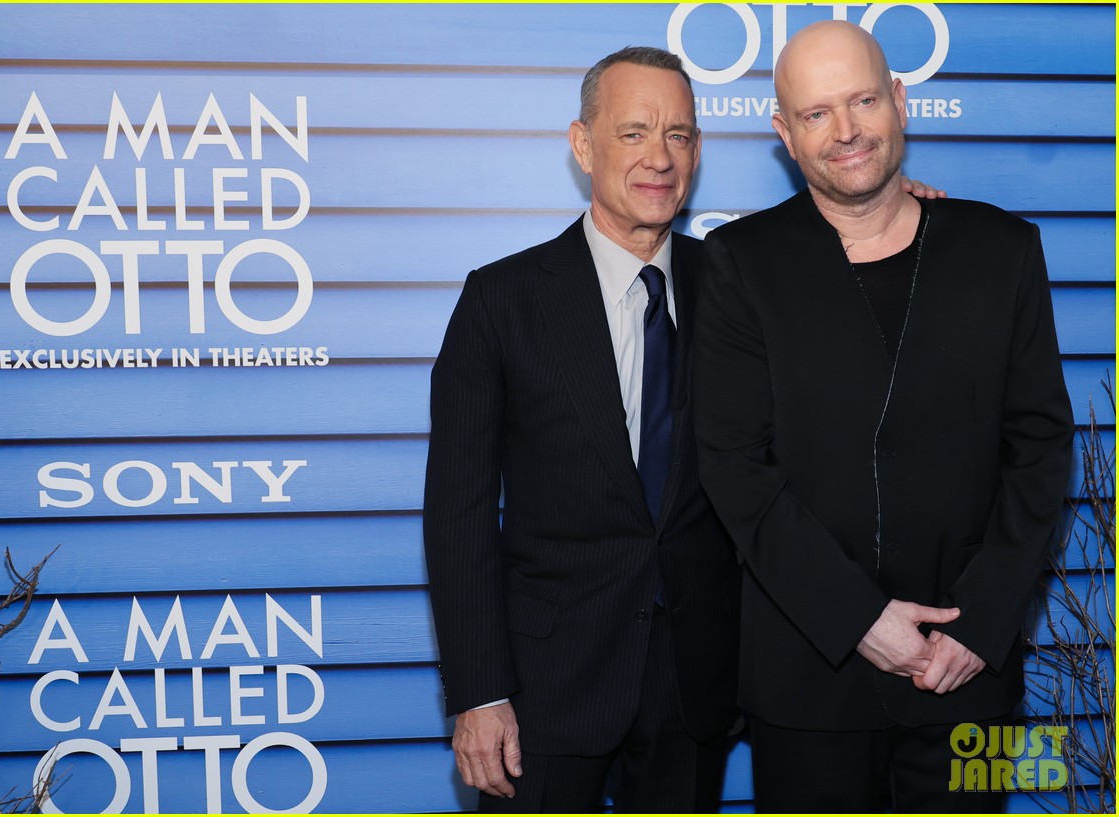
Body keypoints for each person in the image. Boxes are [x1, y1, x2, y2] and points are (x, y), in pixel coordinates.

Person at [691, 20, 1074, 813]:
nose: (846, 131)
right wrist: (858, 617)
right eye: (817, 113)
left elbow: (1038, 449)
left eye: (863, 99)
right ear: (784, 133)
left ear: (899, 101)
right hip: (807, 685)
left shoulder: (1004, 249)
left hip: (973, 677)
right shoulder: (742, 264)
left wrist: (983, 623)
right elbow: (735, 467)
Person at [423, 46, 741, 812]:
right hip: (543, 693)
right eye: (633, 133)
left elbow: (839, 250)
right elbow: (459, 512)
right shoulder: (501, 300)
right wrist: (479, 691)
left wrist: (901, 201)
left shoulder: (737, 285)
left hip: (693, 690)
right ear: (583, 143)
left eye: (680, 135)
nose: (660, 158)